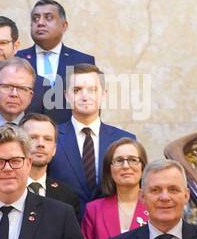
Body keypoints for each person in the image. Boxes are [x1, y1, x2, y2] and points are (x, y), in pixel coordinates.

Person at [49, 64, 135, 205]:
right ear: (66, 95)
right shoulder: (51, 137)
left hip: (111, 223)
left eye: (92, 90)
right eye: (77, 90)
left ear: (103, 94)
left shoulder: (124, 140)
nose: (85, 96)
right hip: (64, 223)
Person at [17, 0, 95, 118]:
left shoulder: (82, 61)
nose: (40, 23)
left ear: (64, 26)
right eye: (35, 18)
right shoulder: (18, 59)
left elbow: (92, 106)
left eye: (48, 18)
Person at [23, 113, 82, 219]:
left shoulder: (67, 197)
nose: (41, 143)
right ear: (19, 144)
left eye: (47, 139)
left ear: (54, 149)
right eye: (33, 137)